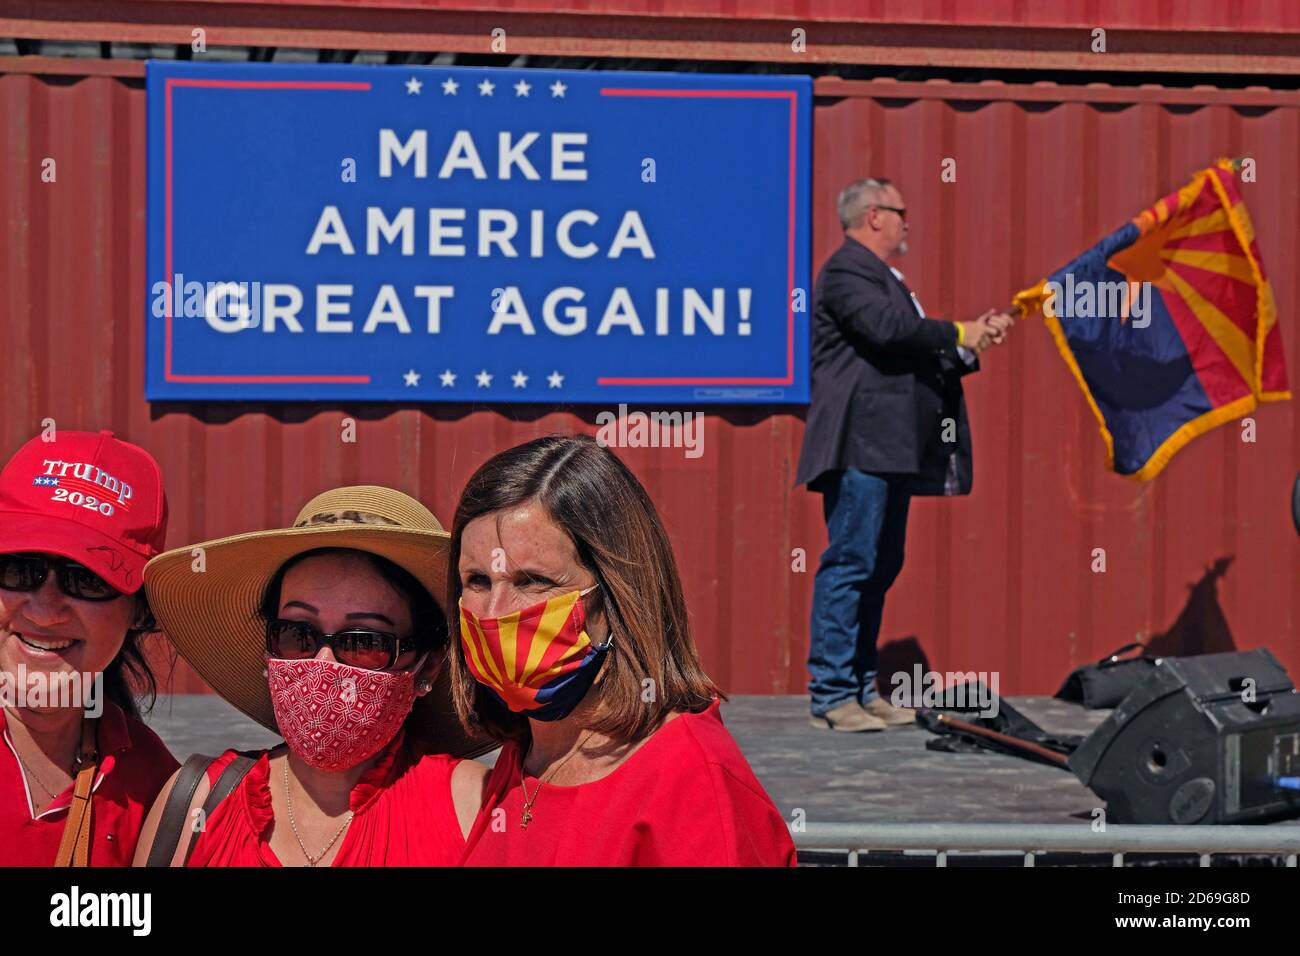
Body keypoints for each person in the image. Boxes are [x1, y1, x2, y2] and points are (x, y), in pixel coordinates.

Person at [451, 435, 797, 866]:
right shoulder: (528, 750)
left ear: (617, 592)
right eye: (477, 581)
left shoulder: (692, 780)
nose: (495, 613)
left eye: (534, 581)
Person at [133, 486, 493, 867]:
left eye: (363, 642)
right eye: (297, 635)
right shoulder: (196, 804)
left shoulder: (470, 809)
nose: (322, 663)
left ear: (428, 666)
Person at [796, 177, 1015, 732]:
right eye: (900, 211)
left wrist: (968, 342)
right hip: (861, 443)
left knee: (880, 565)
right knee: (851, 563)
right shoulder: (848, 271)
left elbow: (909, 345)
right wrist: (959, 329)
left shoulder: (883, 276)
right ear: (873, 216)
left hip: (888, 446)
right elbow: (889, 330)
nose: (906, 223)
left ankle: (862, 689)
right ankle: (831, 693)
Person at [0, 430, 178, 865]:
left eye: (88, 578)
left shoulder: (158, 789)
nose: (44, 610)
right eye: (20, 568)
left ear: (139, 609)